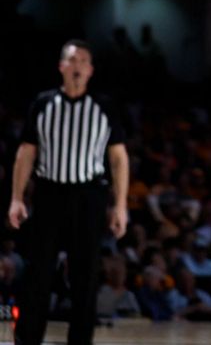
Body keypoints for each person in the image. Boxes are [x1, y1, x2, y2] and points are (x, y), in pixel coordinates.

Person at [8, 39, 129, 345]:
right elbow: (26, 152)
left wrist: (120, 205)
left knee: (85, 275)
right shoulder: (43, 103)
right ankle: (27, 338)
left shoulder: (104, 107)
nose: (78, 66)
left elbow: (118, 158)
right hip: (49, 192)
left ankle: (80, 341)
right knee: (38, 272)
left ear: (91, 70)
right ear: (61, 66)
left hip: (89, 196)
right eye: (73, 60)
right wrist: (17, 198)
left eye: (84, 61)